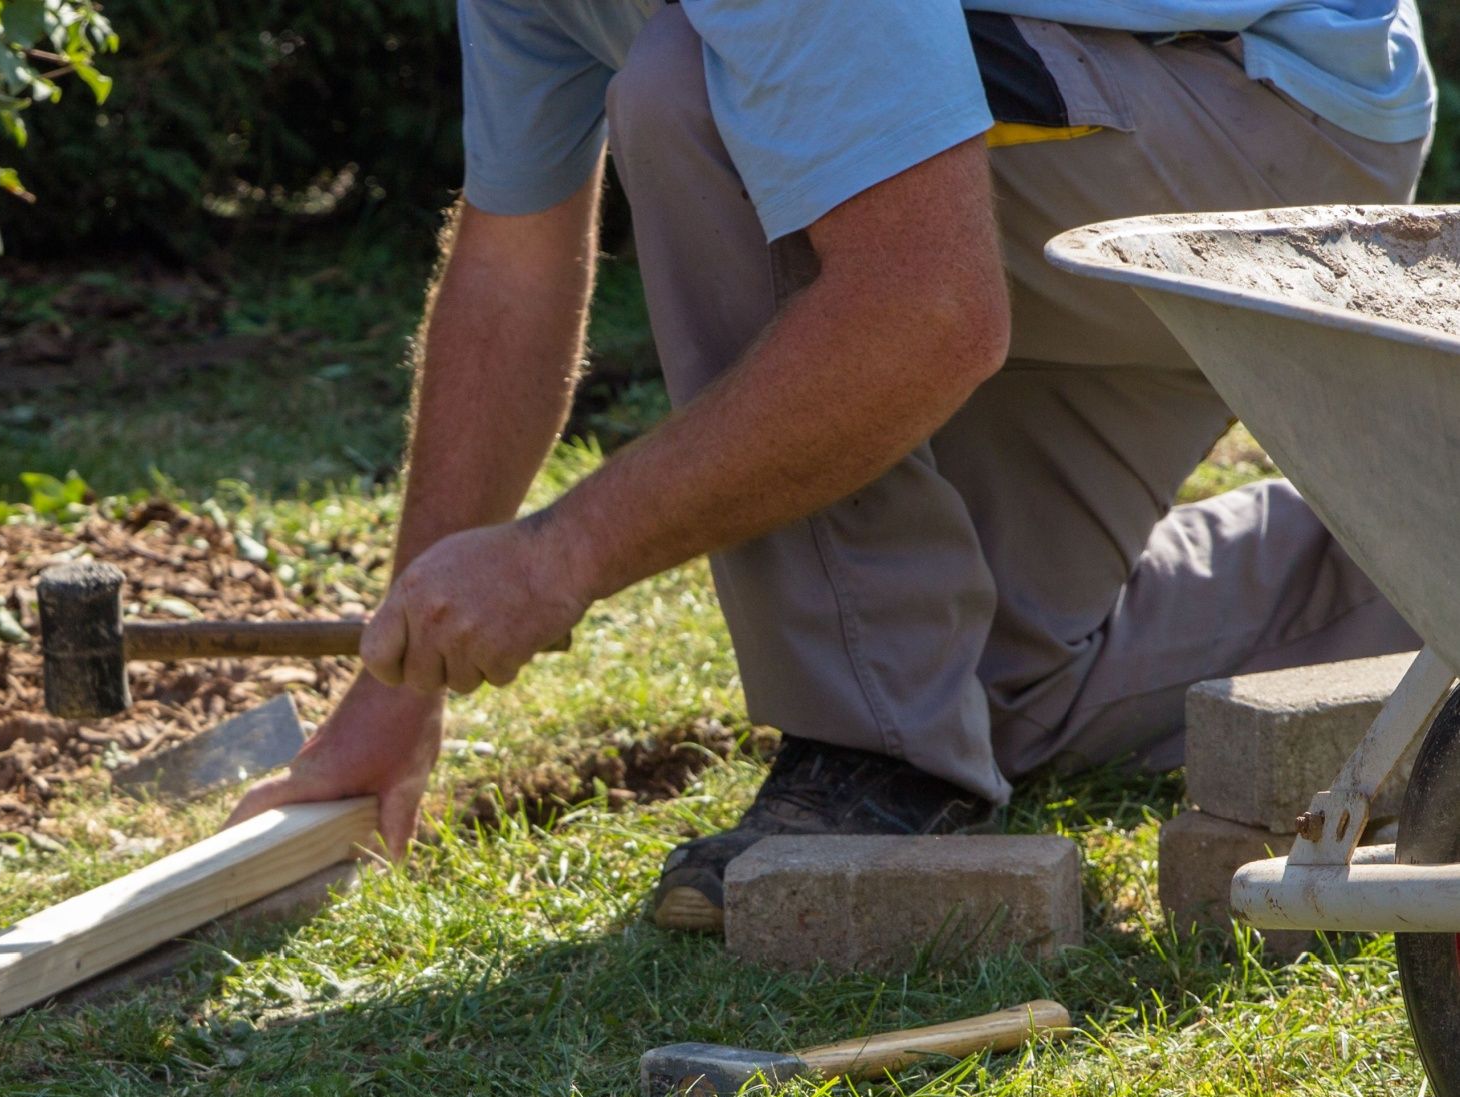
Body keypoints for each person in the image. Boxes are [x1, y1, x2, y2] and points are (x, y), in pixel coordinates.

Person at [232, 0, 1434, 930]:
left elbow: (929, 312)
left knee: (687, 88)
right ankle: (1421, 552)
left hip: (1249, 110)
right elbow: (512, 269)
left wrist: (561, 556)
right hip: (1127, 93)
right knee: (991, 695)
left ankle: (873, 752)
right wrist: (394, 692)